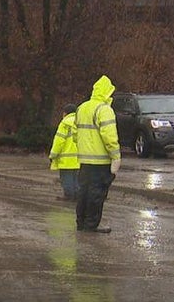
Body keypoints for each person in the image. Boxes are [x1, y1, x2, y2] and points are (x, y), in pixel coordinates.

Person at [75, 75, 121, 233]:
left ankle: (81, 223)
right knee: (97, 195)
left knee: (84, 192)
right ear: (107, 93)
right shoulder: (104, 110)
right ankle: (91, 225)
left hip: (84, 160)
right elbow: (109, 137)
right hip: (100, 162)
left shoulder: (82, 108)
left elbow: (76, 133)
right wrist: (116, 156)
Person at [49, 103, 80, 201]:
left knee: (66, 178)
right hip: (80, 157)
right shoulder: (81, 122)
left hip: (66, 158)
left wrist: (53, 155)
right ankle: (77, 196)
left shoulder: (65, 123)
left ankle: (68, 195)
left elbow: (59, 141)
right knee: (76, 178)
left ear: (65, 113)